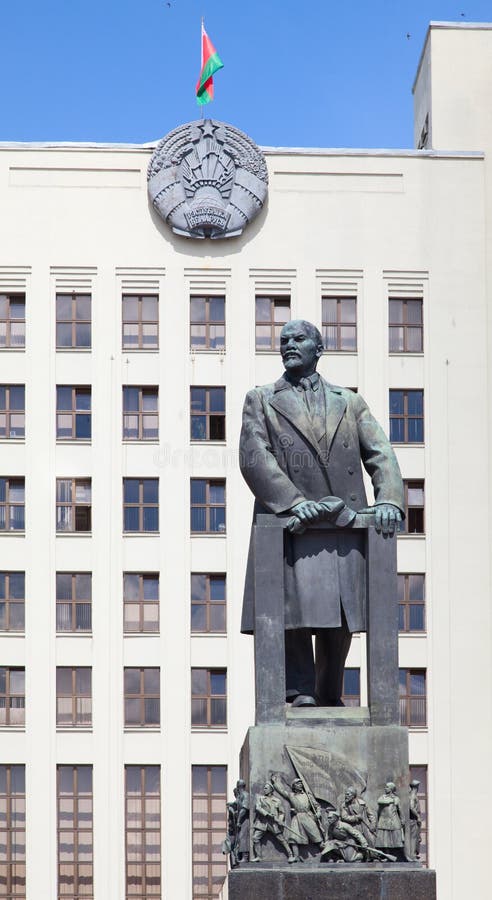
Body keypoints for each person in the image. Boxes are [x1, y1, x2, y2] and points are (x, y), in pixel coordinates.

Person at [240, 319, 404, 706]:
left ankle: (329, 689)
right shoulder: (261, 398)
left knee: (341, 613)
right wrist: (296, 503)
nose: (289, 345)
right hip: (293, 522)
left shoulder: (348, 401)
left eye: (299, 339)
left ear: (319, 347)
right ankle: (300, 691)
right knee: (291, 610)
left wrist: (389, 500)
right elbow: (254, 457)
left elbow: (381, 453)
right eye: (283, 340)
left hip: (343, 522)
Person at [271, 774, 325, 858]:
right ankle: (295, 857)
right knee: (294, 837)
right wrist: (275, 782)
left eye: (301, 783)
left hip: (308, 816)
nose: (300, 785)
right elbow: (282, 790)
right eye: (297, 784)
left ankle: (327, 855)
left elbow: (317, 806)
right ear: (294, 786)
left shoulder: (308, 795)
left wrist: (318, 813)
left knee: (317, 837)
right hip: (297, 817)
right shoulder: (291, 795)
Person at [251, 782, 296, 863]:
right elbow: (258, 808)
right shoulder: (260, 798)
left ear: (271, 790)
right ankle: (258, 856)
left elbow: (282, 812)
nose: (264, 790)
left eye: (266, 788)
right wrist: (267, 814)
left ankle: (290, 855)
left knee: (281, 839)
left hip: (274, 823)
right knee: (255, 838)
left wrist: (280, 820)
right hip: (263, 822)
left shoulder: (277, 801)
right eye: (264, 788)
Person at [376, 782, 405, 858]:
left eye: (387, 787)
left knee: (395, 839)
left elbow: (400, 810)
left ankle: (397, 855)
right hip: (383, 821)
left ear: (391, 789)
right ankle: (385, 854)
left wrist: (402, 819)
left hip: (393, 820)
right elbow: (379, 801)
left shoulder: (396, 798)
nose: (385, 788)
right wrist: (390, 801)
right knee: (384, 840)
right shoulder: (383, 797)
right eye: (385, 787)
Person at [408, 779, 422, 860]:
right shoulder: (413, 795)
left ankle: (413, 854)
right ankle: (412, 855)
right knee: (413, 838)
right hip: (413, 820)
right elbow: (411, 807)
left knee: (415, 838)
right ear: (416, 787)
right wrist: (418, 816)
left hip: (414, 820)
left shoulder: (412, 795)